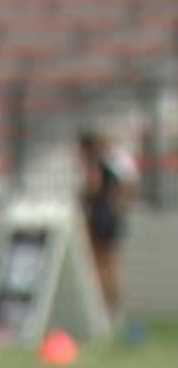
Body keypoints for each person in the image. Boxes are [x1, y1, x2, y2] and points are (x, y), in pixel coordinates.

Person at [78, 128, 139, 334]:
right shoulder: (118, 160)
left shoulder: (104, 162)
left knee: (104, 264)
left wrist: (110, 204)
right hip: (109, 214)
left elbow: (93, 188)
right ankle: (112, 309)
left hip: (102, 215)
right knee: (108, 264)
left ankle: (109, 309)